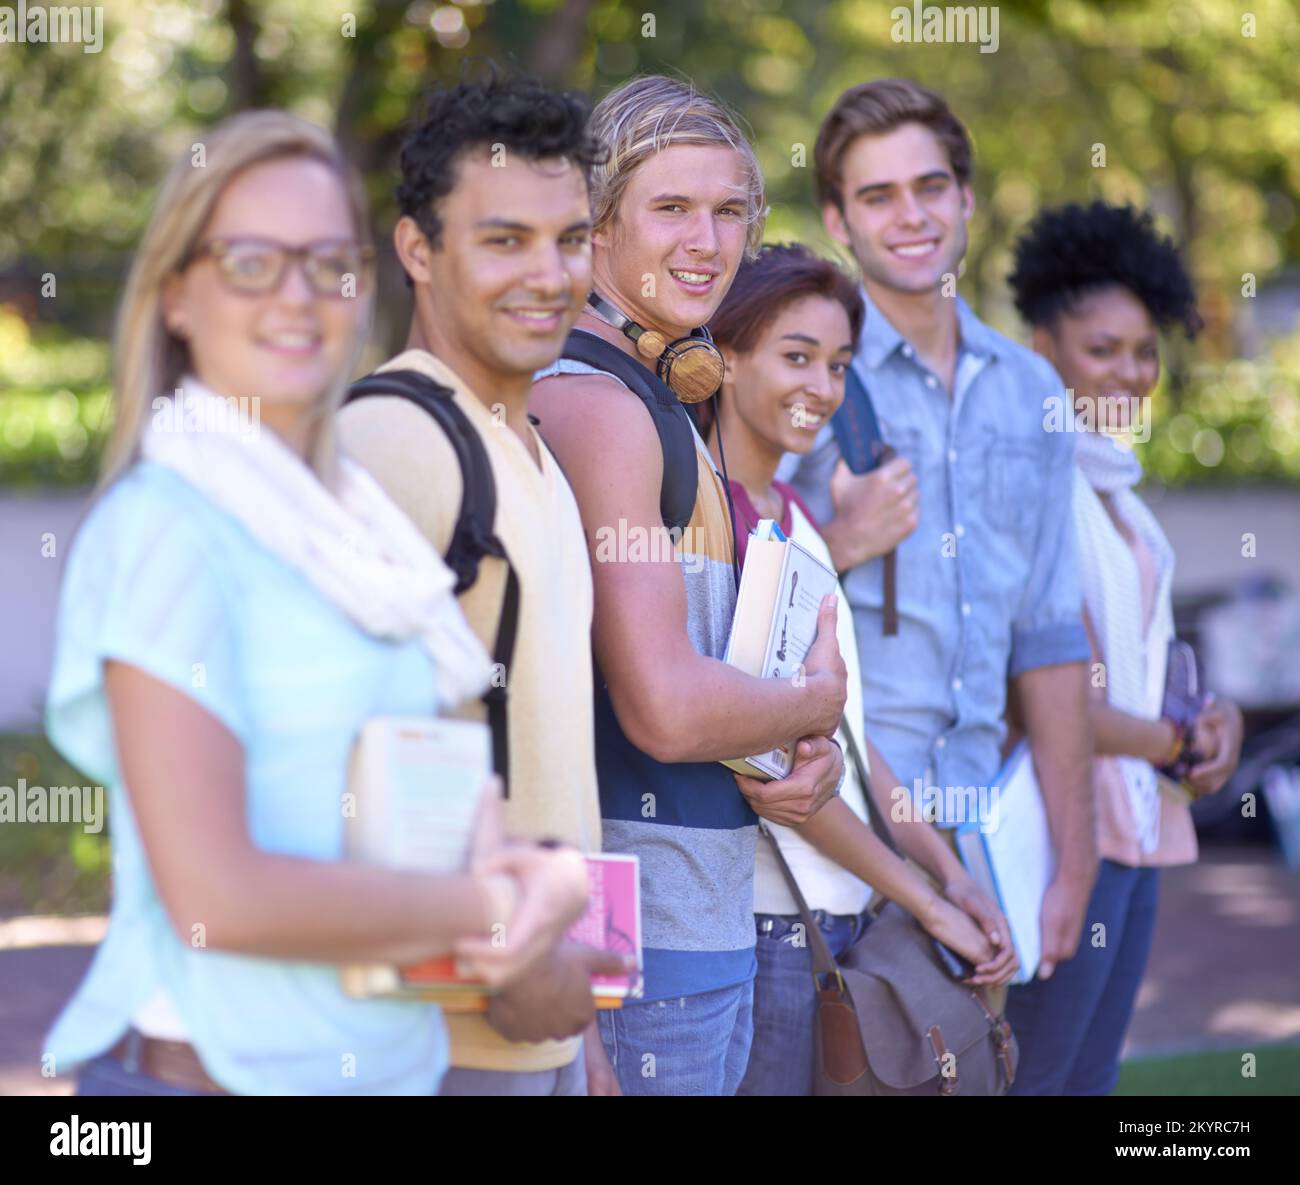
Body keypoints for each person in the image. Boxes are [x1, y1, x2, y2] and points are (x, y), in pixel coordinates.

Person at [43, 110, 588, 1096]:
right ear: (176, 295)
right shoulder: (168, 527)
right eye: (252, 261)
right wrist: (491, 908)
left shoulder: (356, 532)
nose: (299, 297)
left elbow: (408, 816)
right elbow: (218, 895)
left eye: (330, 263)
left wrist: (539, 895)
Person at [531, 76, 849, 1096]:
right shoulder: (603, 408)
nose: (706, 241)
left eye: (728, 211)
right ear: (596, 222)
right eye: (670, 208)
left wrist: (797, 749)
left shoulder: (658, 397)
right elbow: (662, 710)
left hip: (697, 914)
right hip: (644, 939)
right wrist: (815, 702)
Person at [337, 74, 633, 1097]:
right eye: (504, 240)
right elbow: (329, 762)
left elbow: (541, 756)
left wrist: (578, 1030)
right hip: (436, 1033)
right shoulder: (395, 439)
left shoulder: (532, 452)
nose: (548, 274)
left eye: (570, 239)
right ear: (417, 250)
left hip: (538, 1021)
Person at [781, 78, 1097, 988]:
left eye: (929, 187)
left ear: (965, 198)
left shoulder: (1031, 388)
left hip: (989, 822)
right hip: (838, 820)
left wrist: (1073, 860)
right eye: (878, 196)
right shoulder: (810, 370)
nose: (910, 215)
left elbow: (1050, 635)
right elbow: (739, 592)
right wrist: (840, 538)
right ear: (840, 221)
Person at [704, 242, 1018, 1096]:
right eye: (795, 356)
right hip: (777, 927)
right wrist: (926, 901)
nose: (823, 386)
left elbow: (852, 741)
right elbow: (786, 781)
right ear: (725, 358)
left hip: (842, 917)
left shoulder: (793, 513)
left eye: (837, 363)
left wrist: (950, 871)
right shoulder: (720, 525)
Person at [1005, 200, 1245, 1094]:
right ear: (1041, 348)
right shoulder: (1035, 482)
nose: (1130, 372)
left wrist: (1207, 721)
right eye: (1100, 349)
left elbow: (1146, 672)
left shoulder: (1121, 495)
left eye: (1143, 351)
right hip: (1067, 825)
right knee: (1038, 1078)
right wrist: (1171, 743)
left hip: (1140, 823)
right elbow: (1032, 688)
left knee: (1091, 1081)